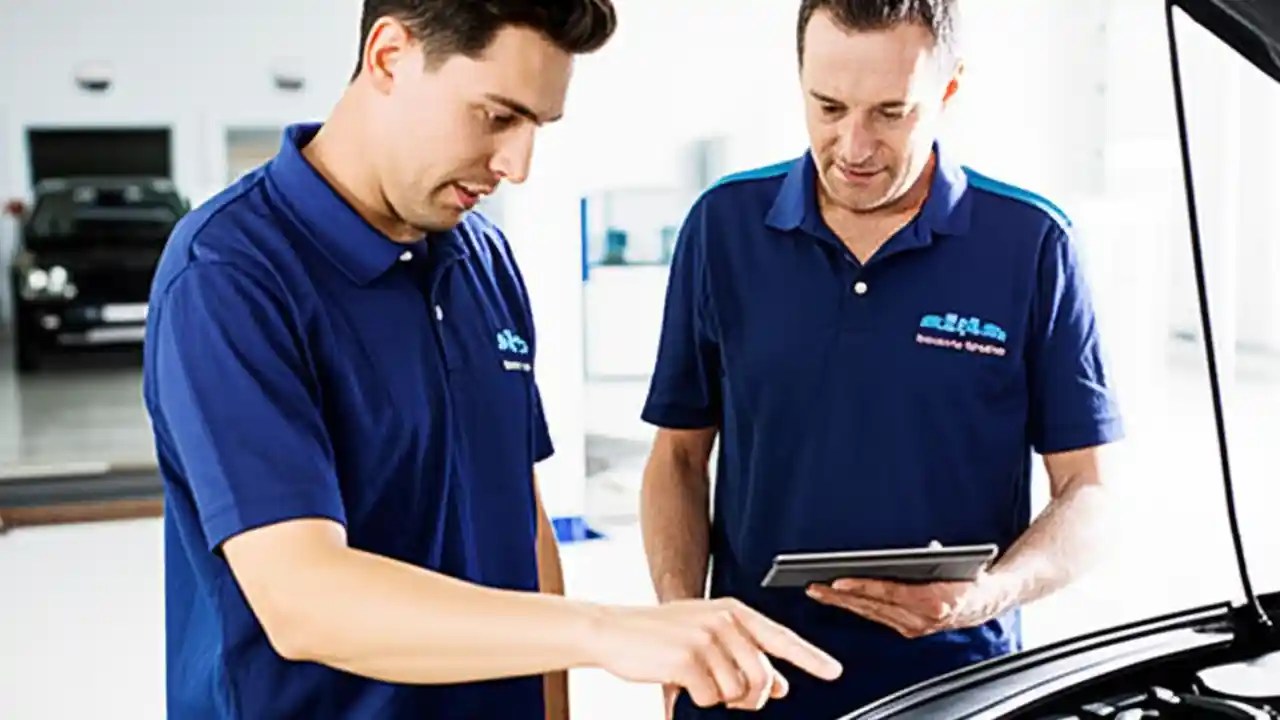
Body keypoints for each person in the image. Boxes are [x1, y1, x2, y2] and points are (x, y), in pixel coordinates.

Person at [141, 2, 843, 719]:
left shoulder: (482, 258)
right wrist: (606, 632)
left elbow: (523, 520)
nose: (518, 165)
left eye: (537, 126)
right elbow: (303, 598)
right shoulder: (230, 274)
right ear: (389, 57)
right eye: (497, 116)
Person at [639, 0, 1125, 717]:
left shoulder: (1031, 244)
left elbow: (1089, 493)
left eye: (891, 113)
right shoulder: (722, 228)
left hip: (958, 686)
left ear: (948, 92)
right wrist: (681, 621)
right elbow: (679, 458)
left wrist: (987, 595)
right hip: (752, 684)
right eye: (828, 107)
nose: (854, 146)